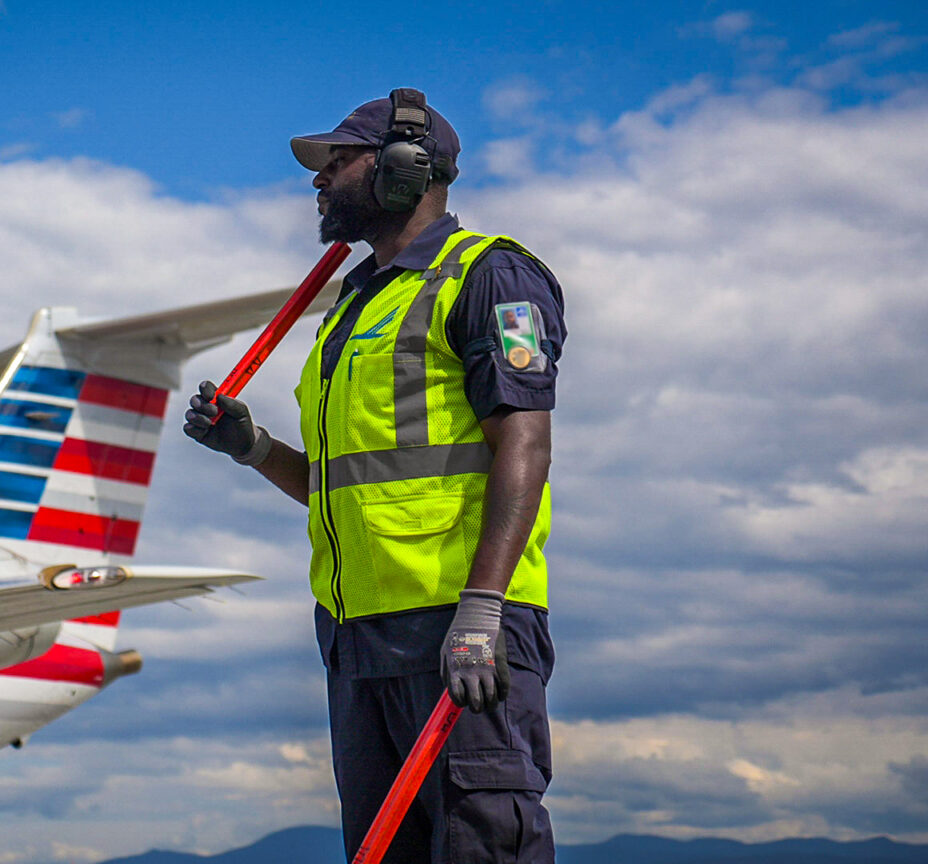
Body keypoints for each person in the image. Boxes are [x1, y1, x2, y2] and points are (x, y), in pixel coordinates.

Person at [184, 89, 565, 863]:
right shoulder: (353, 307)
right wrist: (253, 448)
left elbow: (525, 444)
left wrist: (483, 611)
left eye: (337, 161)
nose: (318, 181)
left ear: (404, 169)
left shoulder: (491, 277)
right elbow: (348, 486)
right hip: (357, 638)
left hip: (460, 629)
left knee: (481, 846)